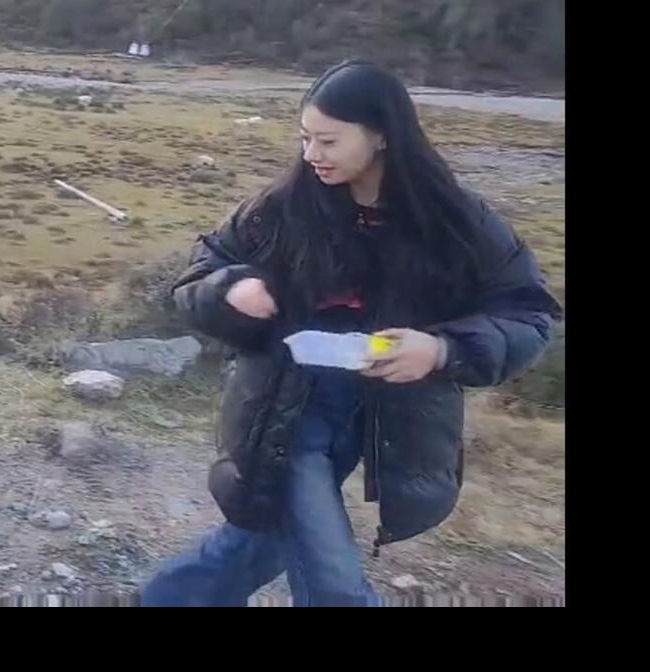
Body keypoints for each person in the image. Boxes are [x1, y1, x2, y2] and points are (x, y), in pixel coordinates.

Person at [140, 60, 563, 607]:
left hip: (392, 408)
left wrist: (440, 349)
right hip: (288, 405)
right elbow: (199, 272)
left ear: (382, 135)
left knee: (267, 538)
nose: (311, 154)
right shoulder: (285, 204)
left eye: (328, 141)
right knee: (330, 574)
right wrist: (230, 289)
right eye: (305, 138)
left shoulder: (456, 220)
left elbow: (528, 312)